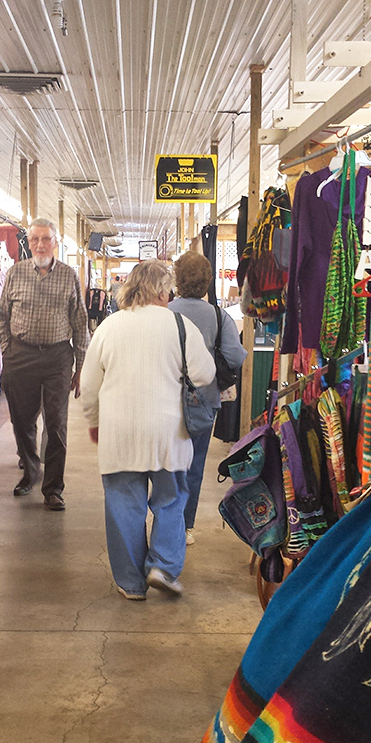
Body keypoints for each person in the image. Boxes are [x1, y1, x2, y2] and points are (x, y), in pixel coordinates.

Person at [80, 260, 215, 599]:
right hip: (169, 431)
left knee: (124, 503)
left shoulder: (110, 326)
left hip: (119, 430)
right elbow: (205, 374)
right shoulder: (181, 326)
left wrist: (95, 421)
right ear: (160, 290)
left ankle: (130, 583)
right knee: (171, 499)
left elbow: (89, 385)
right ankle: (163, 567)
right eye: (168, 290)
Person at [0, 218, 89, 510]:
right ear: (29, 242)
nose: (40, 244)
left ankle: (53, 488)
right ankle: (31, 469)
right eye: (35, 239)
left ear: (55, 243)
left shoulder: (69, 276)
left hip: (57, 358)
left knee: (56, 423)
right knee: (22, 421)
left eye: (45, 239)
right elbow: (2, 316)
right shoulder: (15, 273)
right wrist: (6, 349)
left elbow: (80, 322)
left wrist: (80, 366)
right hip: (20, 354)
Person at [168, 251, 246, 543]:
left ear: (177, 279)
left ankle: (166, 518)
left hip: (166, 395)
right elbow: (235, 356)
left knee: (166, 460)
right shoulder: (218, 315)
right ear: (207, 282)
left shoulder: (165, 311)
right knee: (195, 463)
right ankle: (186, 525)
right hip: (203, 400)